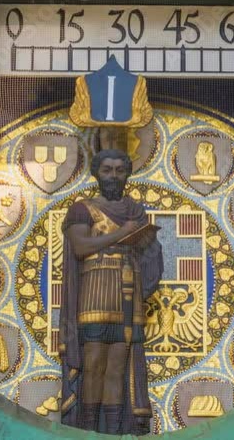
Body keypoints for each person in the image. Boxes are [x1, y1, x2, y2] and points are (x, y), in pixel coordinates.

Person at [60, 148, 163, 433]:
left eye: (120, 170)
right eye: (107, 170)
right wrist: (122, 233)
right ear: (97, 173)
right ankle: (88, 430)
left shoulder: (134, 210)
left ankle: (114, 432)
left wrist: (149, 244)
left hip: (128, 290)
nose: (113, 176)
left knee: (119, 365)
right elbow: (81, 247)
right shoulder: (82, 209)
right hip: (95, 291)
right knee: (94, 362)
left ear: (127, 174)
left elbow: (146, 249)